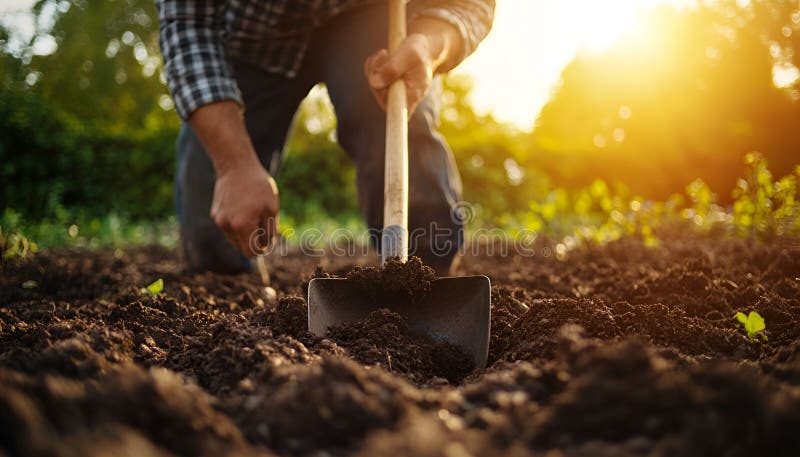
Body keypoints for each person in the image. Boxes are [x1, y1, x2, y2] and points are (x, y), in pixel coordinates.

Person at [157, 0, 495, 276]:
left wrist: (428, 44)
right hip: (250, 35)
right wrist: (233, 165)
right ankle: (225, 282)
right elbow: (186, 29)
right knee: (215, 229)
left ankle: (425, 274)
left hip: (366, 14)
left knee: (394, 117)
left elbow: (468, 4)